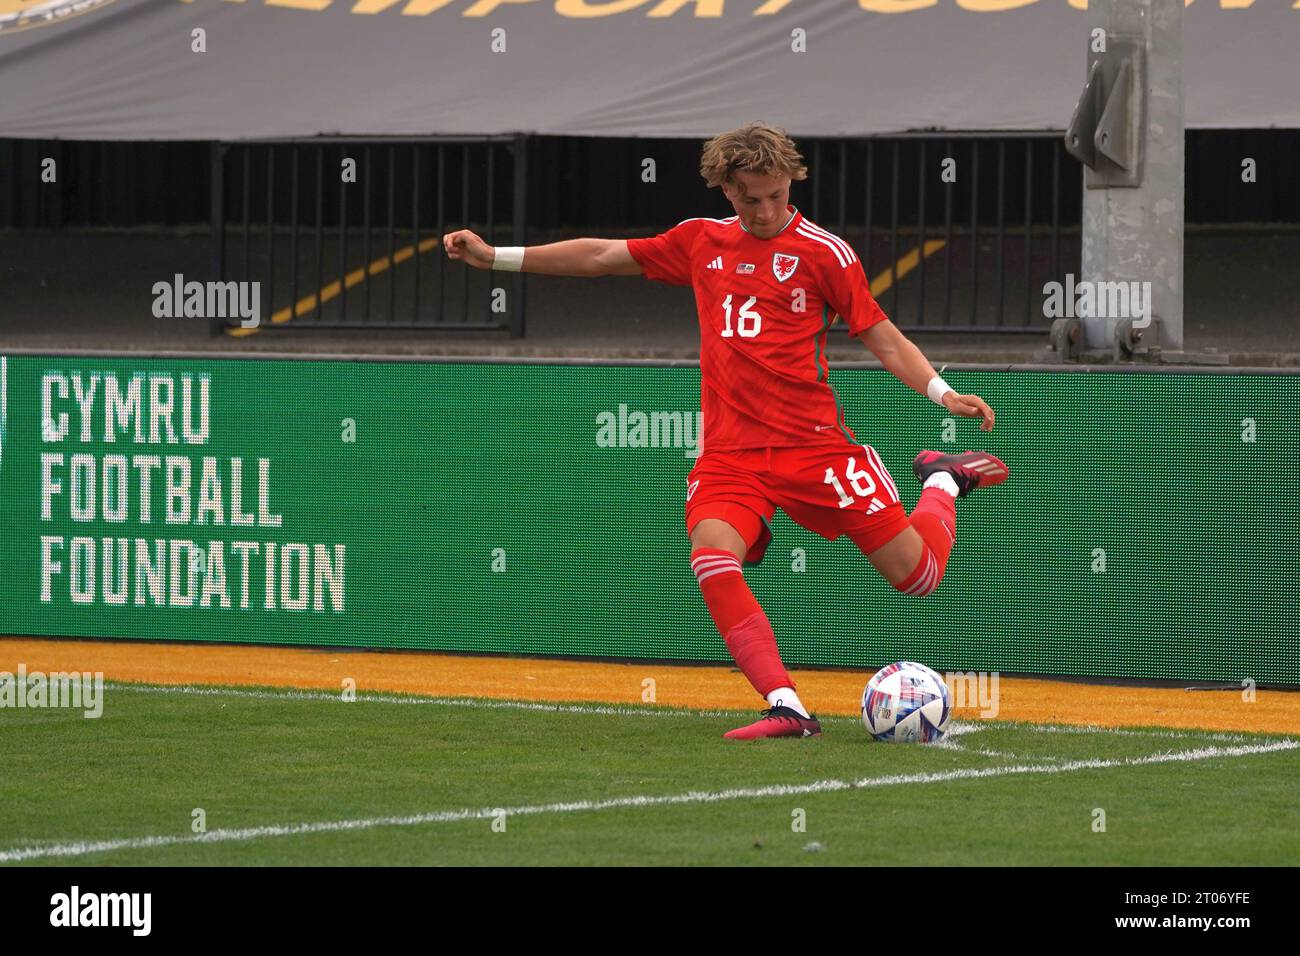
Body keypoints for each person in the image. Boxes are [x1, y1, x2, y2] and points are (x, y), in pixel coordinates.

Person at [444, 122, 1007, 740]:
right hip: (731, 455)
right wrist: (496, 256)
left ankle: (944, 479)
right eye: (749, 198)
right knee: (713, 558)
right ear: (725, 189)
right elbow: (604, 256)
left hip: (814, 447)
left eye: (776, 195)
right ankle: (787, 706)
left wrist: (942, 392)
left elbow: (882, 336)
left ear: (792, 180)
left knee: (918, 577)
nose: (765, 210)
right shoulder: (699, 241)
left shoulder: (826, 252)